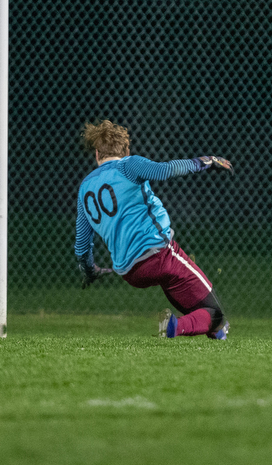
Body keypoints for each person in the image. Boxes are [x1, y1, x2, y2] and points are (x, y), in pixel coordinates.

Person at [74, 120, 232, 339]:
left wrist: (89, 271)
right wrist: (205, 161)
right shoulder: (128, 165)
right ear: (127, 150)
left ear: (97, 154)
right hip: (160, 255)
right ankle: (176, 327)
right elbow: (165, 170)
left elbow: (82, 243)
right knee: (215, 313)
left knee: (198, 308)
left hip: (130, 272)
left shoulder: (85, 188)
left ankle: (213, 332)